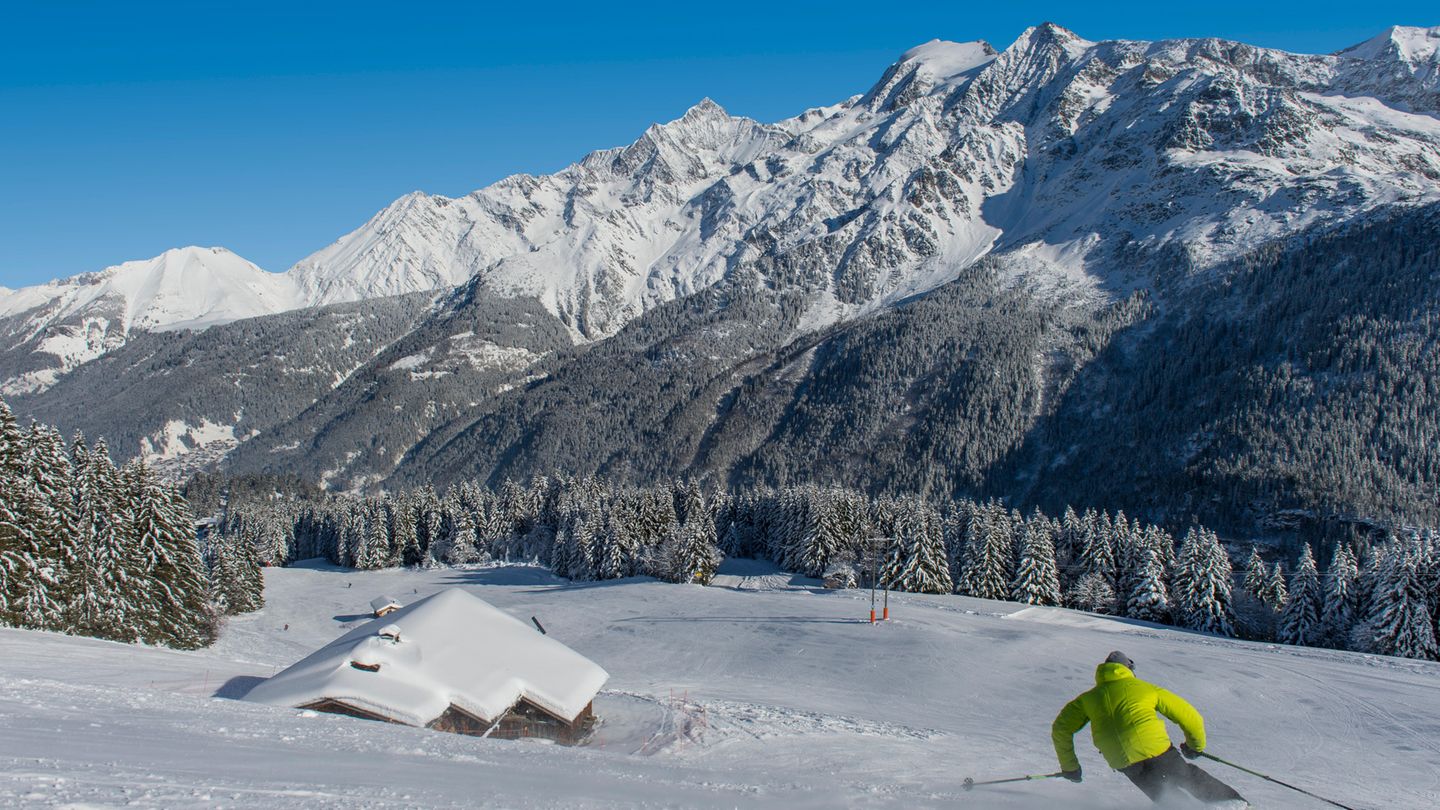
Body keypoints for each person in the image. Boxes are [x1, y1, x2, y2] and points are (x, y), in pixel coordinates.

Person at [1052, 651, 1247, 806]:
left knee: (1162, 793)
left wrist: (1071, 768)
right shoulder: (1145, 688)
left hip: (1121, 759)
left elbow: (1061, 729)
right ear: (1128, 669)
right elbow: (1189, 715)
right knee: (1189, 778)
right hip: (1154, 749)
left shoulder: (1087, 699)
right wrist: (1194, 747)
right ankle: (1233, 805)